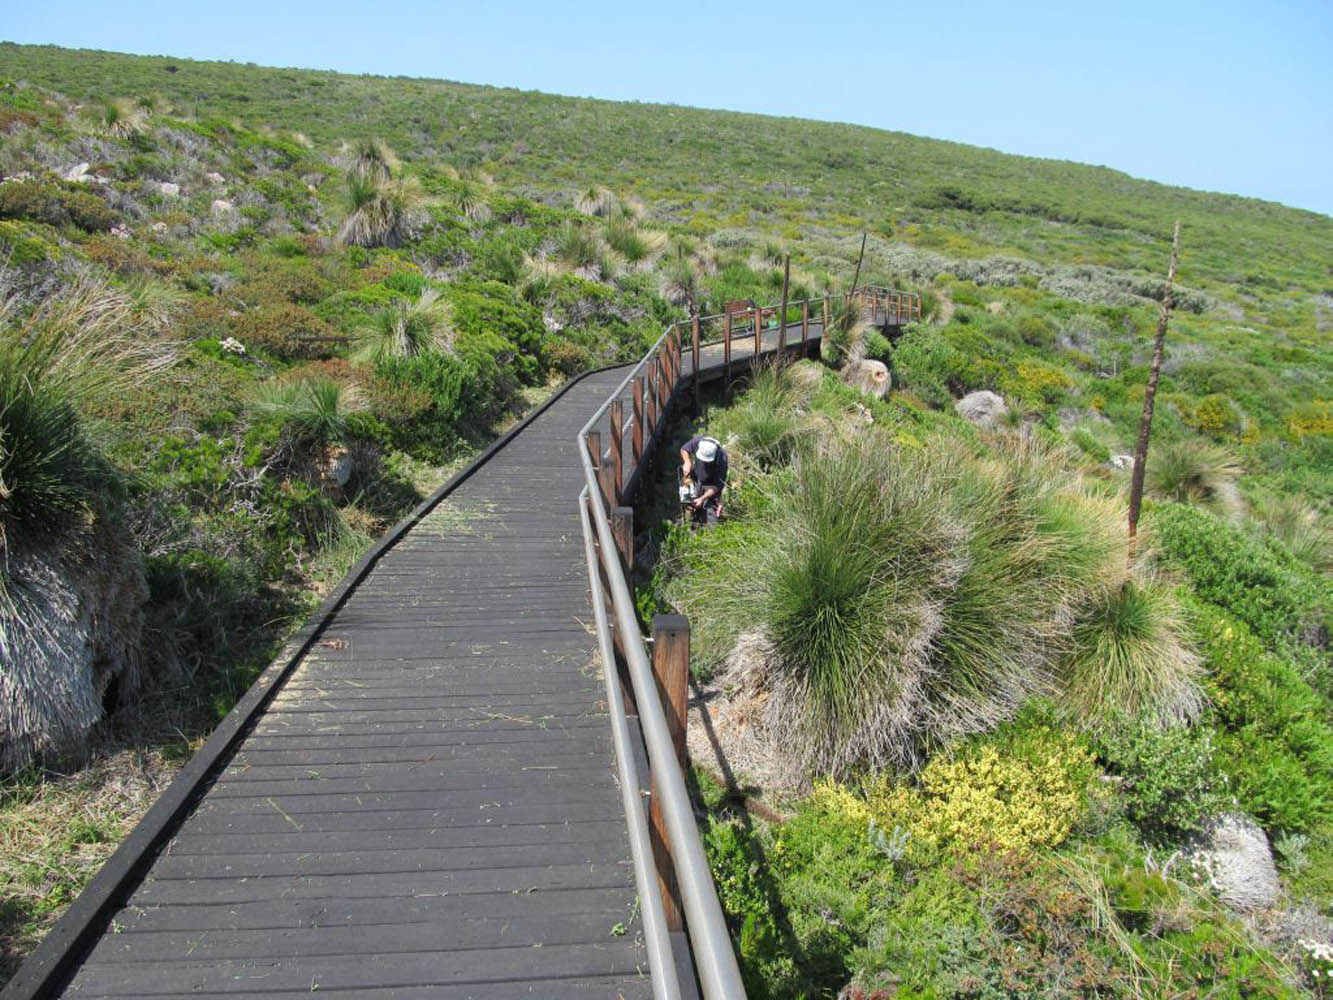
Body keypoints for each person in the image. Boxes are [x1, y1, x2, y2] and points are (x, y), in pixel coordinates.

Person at [680, 434, 728, 525]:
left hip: (712, 484)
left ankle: (711, 532)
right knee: (694, 503)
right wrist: (687, 461)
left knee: (710, 511)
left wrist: (702, 498)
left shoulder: (722, 458)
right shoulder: (698, 441)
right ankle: (694, 522)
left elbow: (717, 485)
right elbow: (684, 449)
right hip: (697, 476)